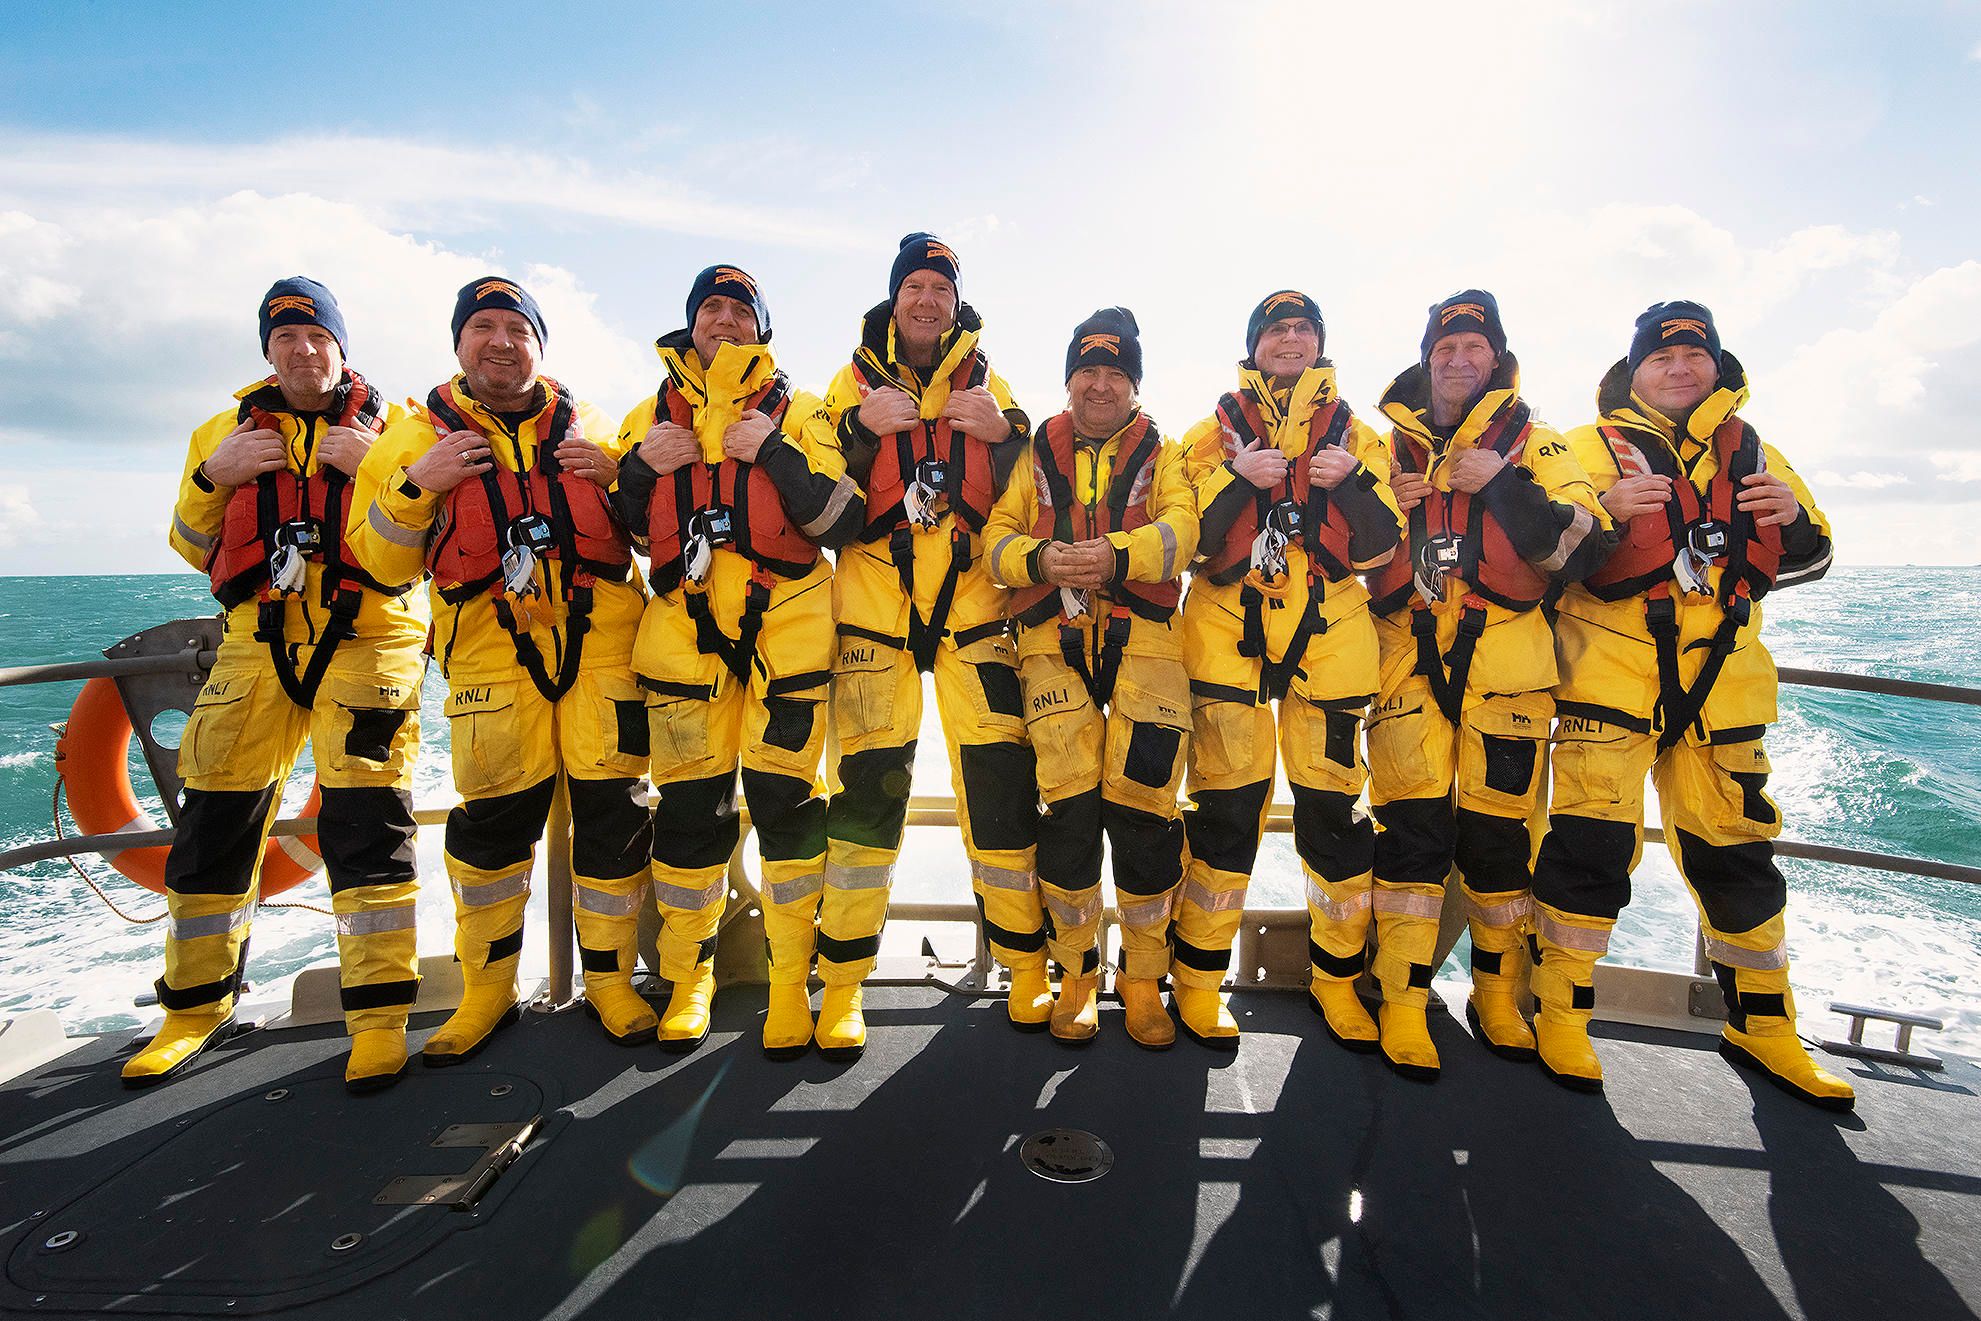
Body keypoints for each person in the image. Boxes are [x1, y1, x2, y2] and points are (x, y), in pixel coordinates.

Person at [1529, 301, 1850, 1109]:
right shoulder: (1580, 447)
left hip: (1722, 688)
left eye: (1693, 355)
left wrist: (1794, 523)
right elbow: (1543, 557)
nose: (1679, 368)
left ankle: (1765, 1028)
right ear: (1632, 370)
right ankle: (1559, 1015)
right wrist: (1607, 517)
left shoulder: (1757, 453)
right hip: (1608, 684)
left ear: (1716, 366)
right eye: (1661, 357)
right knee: (1588, 853)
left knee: (1738, 860)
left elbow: (1811, 557)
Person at [124, 277, 425, 1093]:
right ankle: (193, 1008)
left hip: (368, 639)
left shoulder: (399, 430)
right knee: (213, 821)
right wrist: (212, 477)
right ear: (267, 349)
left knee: (368, 827)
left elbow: (430, 542)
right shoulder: (217, 433)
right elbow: (191, 541)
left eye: (318, 336)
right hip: (255, 643)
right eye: (286, 337)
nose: (303, 350)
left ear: (341, 346)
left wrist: (379, 470)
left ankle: (379, 1018)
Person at [348, 276, 654, 1064]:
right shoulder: (411, 439)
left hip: (602, 652)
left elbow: (653, 533)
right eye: (482, 327)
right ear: (458, 343)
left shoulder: (595, 426)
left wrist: (617, 476)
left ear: (539, 346)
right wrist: (419, 485)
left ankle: (610, 980)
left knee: (614, 816)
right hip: (490, 655)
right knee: (491, 828)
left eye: (518, 329)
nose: (501, 342)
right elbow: (378, 562)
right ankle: (487, 991)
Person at [611, 265, 865, 1058]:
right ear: (692, 323)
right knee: (690, 814)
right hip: (682, 642)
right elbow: (617, 530)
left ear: (761, 326)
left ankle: (792, 982)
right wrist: (640, 467)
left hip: (786, 636)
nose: (724, 320)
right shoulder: (645, 416)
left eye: (739, 309)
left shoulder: (806, 410)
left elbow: (842, 517)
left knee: (789, 809)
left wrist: (775, 452)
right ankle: (690, 979)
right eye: (710, 308)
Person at [1364, 290, 1610, 1082]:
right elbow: (1338, 557)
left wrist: (1502, 482)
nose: (1458, 359)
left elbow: (1584, 549)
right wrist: (1380, 505)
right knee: (1409, 835)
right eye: (1445, 347)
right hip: (1405, 660)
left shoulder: (1538, 443)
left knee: (1499, 841)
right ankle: (1402, 1001)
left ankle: (1496, 998)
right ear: (1426, 358)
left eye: (1474, 346)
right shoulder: (1381, 446)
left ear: (1496, 357)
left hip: (1507, 669)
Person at [819, 235, 1046, 1042]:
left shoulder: (991, 385)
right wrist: (856, 427)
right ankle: (840, 984)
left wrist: (1005, 434)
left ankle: (1025, 968)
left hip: (972, 609)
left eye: (939, 289)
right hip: (874, 610)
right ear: (895, 297)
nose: (925, 300)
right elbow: (814, 502)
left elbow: (1033, 493)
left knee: (1000, 787)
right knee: (864, 798)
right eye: (913, 285)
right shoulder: (844, 386)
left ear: (955, 304)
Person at [1177, 291, 1401, 1048]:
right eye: (1276, 329)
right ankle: (1197, 983)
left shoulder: (1360, 438)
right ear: (1254, 345)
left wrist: (1355, 482)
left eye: (1304, 328)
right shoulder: (1207, 437)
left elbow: (1380, 550)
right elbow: (1189, 542)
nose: (1291, 338)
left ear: (1320, 344)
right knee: (1223, 814)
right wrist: (1238, 475)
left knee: (1334, 817)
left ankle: (1336, 984)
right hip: (1226, 634)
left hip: (1331, 637)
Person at [983, 308, 1199, 1046]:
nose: (1099, 385)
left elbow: (1184, 529)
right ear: (1069, 381)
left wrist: (1118, 555)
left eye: (1114, 373)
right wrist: (1041, 559)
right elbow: (996, 540)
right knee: (1069, 815)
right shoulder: (1032, 453)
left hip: (1149, 651)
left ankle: (1142, 980)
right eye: (1087, 372)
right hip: (1052, 646)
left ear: (1133, 385)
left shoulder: (1166, 452)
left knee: (1145, 816)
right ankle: (1075, 976)